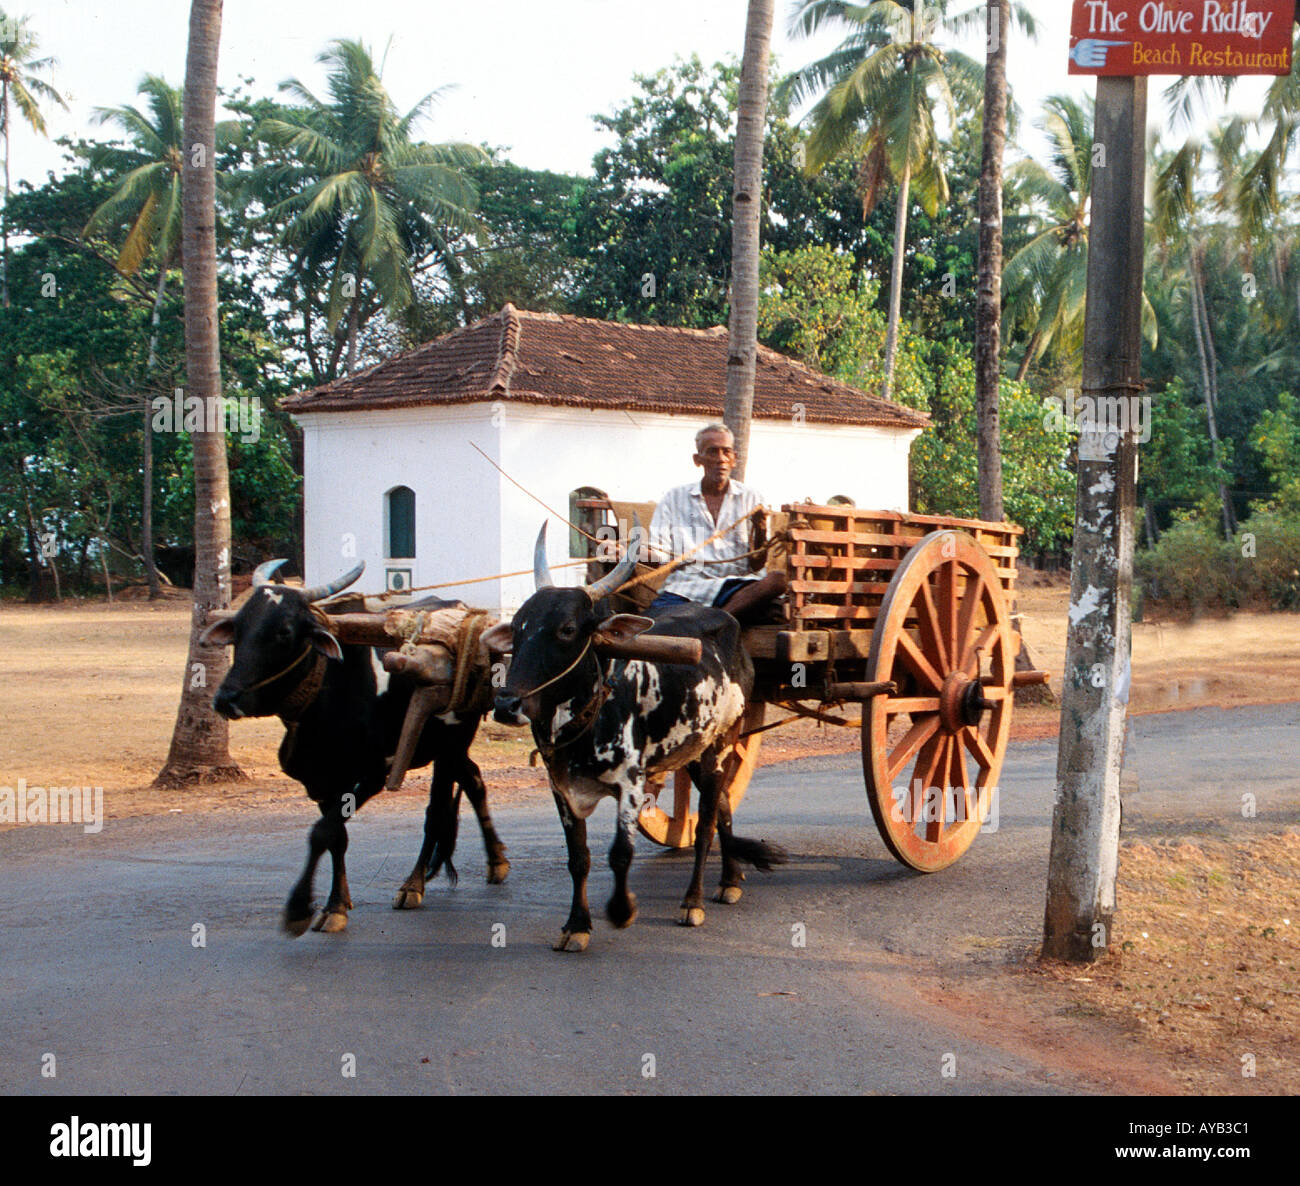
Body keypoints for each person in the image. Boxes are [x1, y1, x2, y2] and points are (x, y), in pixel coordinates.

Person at [644, 424, 787, 623]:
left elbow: (756, 563)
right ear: (698, 460)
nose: (720, 459)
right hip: (688, 587)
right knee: (651, 624)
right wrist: (628, 553)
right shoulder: (674, 498)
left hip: (739, 586)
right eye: (712, 452)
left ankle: (713, 623)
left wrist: (761, 529)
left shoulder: (752, 498)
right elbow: (660, 553)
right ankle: (720, 622)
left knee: (777, 580)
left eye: (726, 452)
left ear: (734, 459)